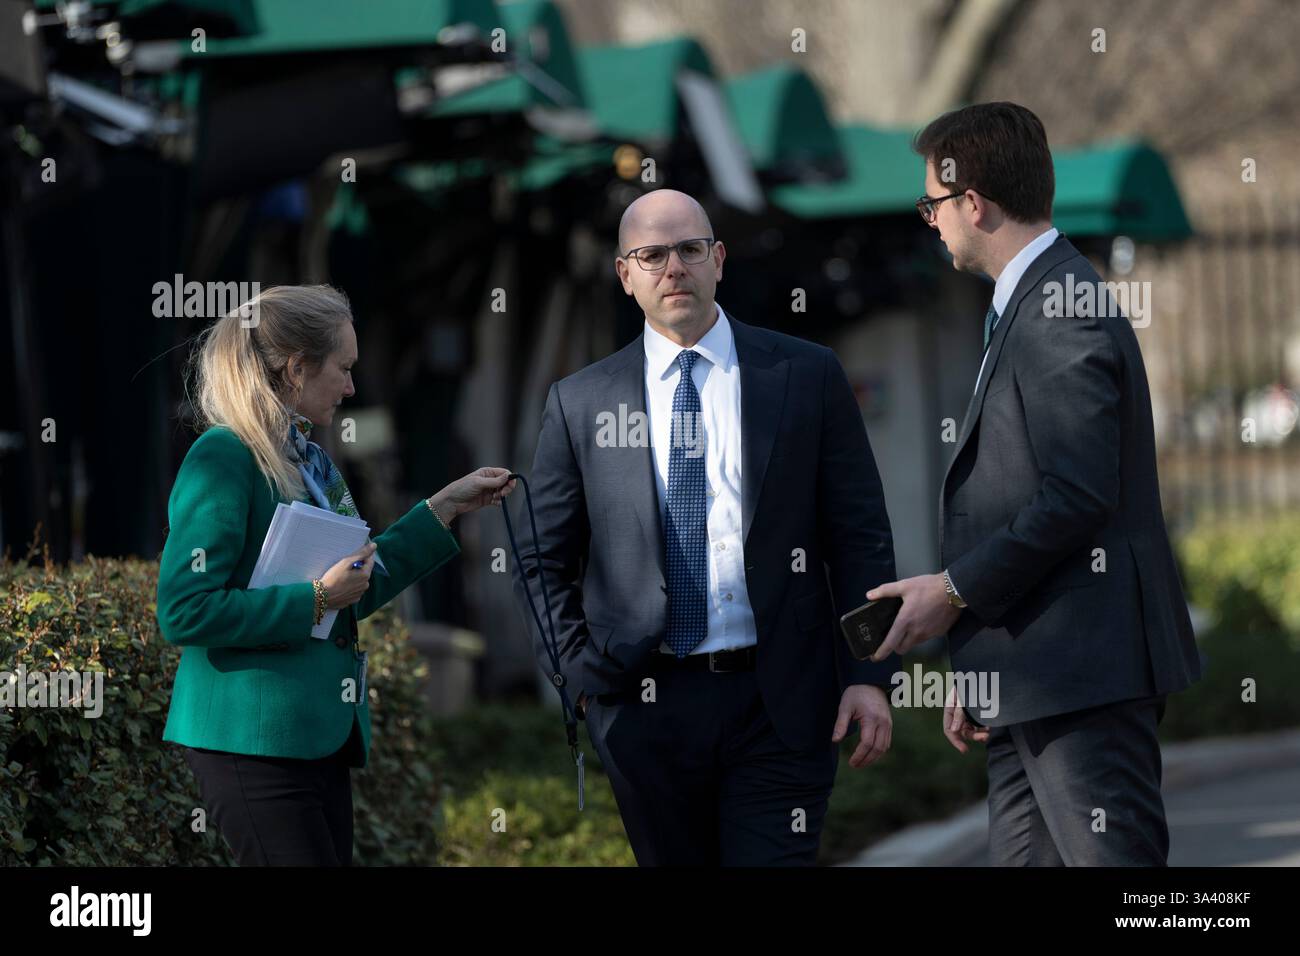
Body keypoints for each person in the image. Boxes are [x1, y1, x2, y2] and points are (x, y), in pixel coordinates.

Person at [510, 189, 898, 866]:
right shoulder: (581, 403)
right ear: (624, 275)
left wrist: (869, 671)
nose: (674, 268)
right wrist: (577, 678)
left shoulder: (805, 375)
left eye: (690, 249)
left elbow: (859, 534)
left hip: (780, 702)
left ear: (718, 260)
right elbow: (540, 558)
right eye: (651, 255)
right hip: (643, 707)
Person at [867, 102, 1201, 865]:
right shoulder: (1035, 297)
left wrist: (952, 593)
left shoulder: (1055, 306)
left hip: (1082, 676)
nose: (930, 222)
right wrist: (983, 661)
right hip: (1036, 677)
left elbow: (1076, 496)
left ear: (972, 203)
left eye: (932, 204)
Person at [156, 284, 514, 866]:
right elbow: (184, 609)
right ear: (296, 369)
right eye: (343, 369)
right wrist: (317, 598)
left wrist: (443, 508)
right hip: (252, 740)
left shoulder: (309, 459)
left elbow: (356, 581)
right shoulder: (224, 456)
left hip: (314, 736)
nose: (351, 387)